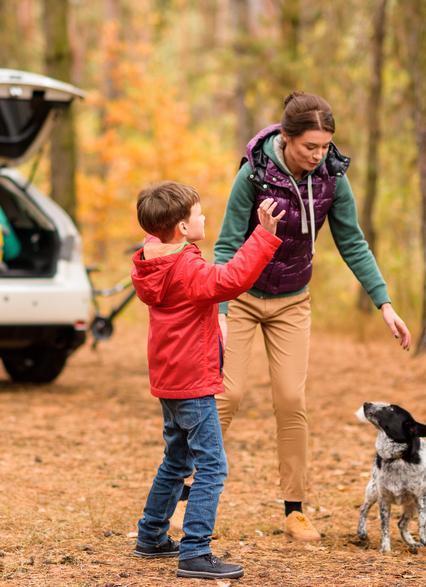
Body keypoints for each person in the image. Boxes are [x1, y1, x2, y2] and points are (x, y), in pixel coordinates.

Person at [207, 91, 412, 542]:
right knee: (227, 395)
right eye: (309, 147)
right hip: (240, 295)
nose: (318, 156)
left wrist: (385, 303)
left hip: (292, 300)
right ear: (286, 138)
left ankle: (294, 509)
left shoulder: (332, 179)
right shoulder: (254, 175)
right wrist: (219, 311)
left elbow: (353, 242)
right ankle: (190, 498)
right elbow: (224, 245)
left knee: (290, 401)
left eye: (324, 147)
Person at [130, 180, 284, 580]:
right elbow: (230, 280)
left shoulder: (153, 258)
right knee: (212, 467)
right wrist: (263, 236)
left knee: (176, 459)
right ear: (181, 227)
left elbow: (159, 229)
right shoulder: (186, 266)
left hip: (168, 377)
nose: (204, 217)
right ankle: (195, 551)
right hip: (193, 381)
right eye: (198, 214)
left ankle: (151, 536)